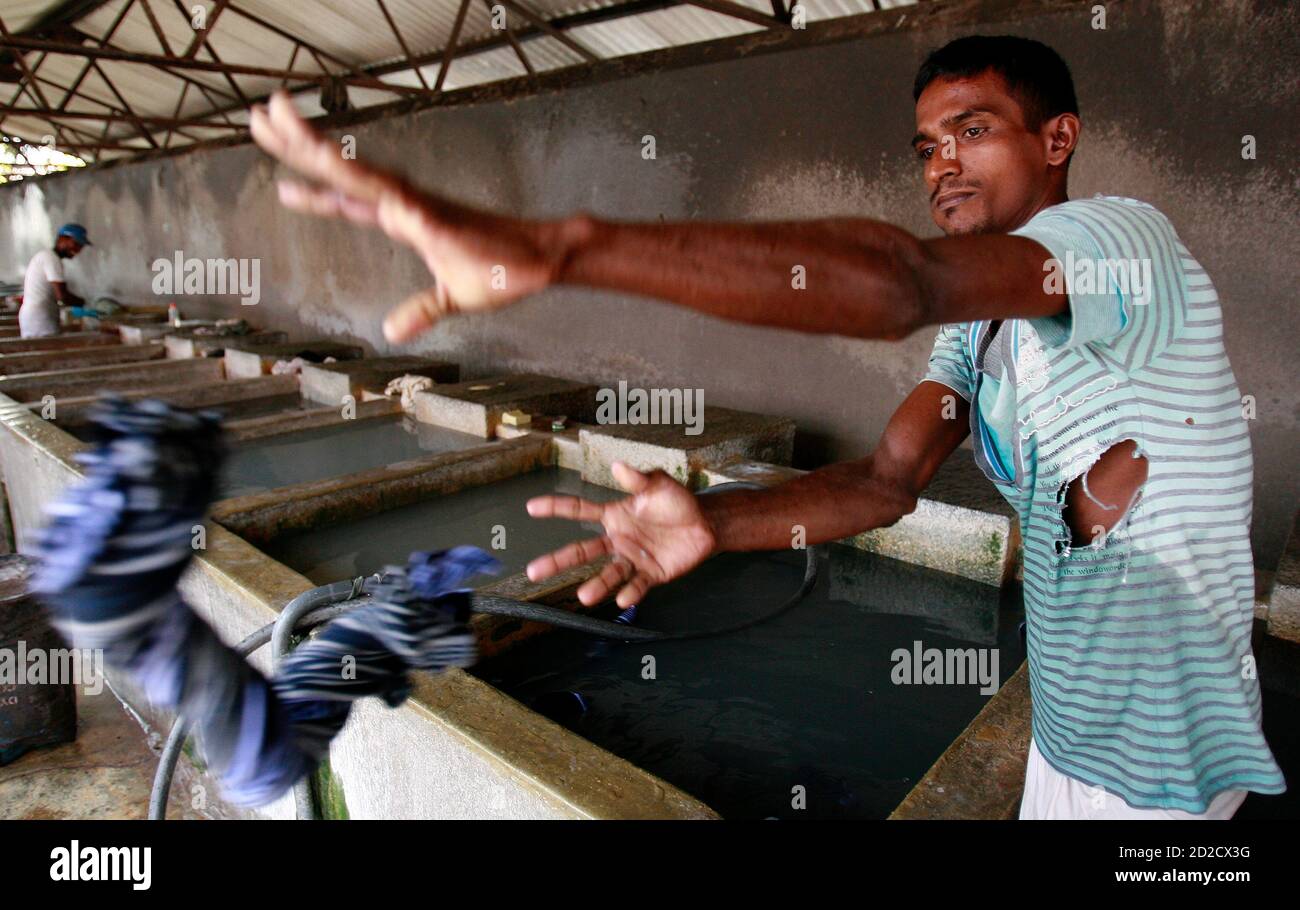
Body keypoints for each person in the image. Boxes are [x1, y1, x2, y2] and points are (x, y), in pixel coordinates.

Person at [247, 34, 1284, 819]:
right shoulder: (979, 343)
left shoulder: (1118, 242)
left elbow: (901, 280)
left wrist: (559, 245)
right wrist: (716, 523)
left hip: (1163, 746)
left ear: (1057, 139)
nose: (941, 166)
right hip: (1072, 723)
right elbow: (884, 480)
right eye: (926, 145)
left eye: (973, 130)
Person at [19, 223, 90, 338]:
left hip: (35, 316)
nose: (78, 249)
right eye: (76, 243)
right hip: (40, 319)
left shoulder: (46, 256)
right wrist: (85, 304)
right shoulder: (51, 259)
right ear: (62, 239)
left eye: (81, 246)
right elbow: (62, 296)